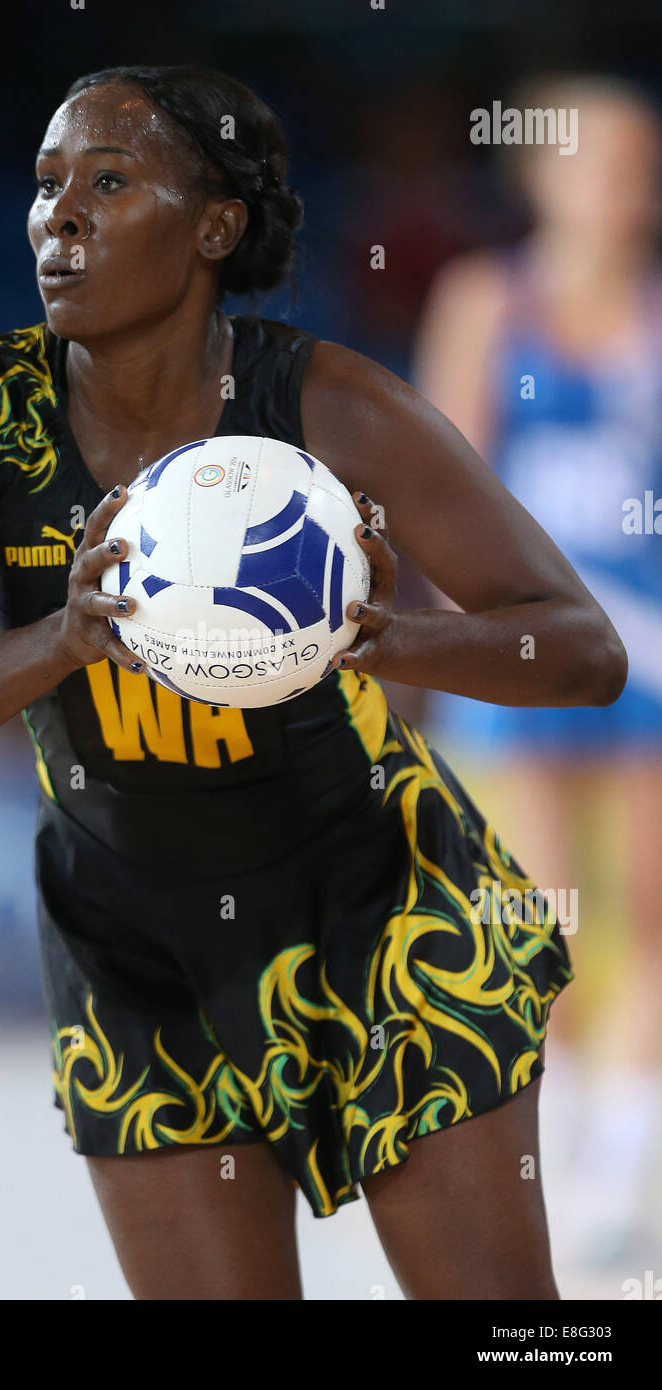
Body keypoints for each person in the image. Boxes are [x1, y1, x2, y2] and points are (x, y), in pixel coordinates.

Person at [0, 64, 626, 1300]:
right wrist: (60, 640)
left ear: (213, 227)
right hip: (134, 954)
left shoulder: (327, 405)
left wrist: (379, 634)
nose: (59, 217)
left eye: (106, 181)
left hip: (386, 911)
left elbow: (579, 649)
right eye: (45, 186)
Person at [414, 73, 662, 1258]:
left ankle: (623, 1147)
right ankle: (549, 1140)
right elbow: (441, 474)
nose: (619, 188)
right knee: (539, 913)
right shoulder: (486, 300)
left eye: (636, 166)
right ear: (542, 176)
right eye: (596, 163)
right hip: (529, 635)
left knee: (652, 902)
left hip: (649, 646)